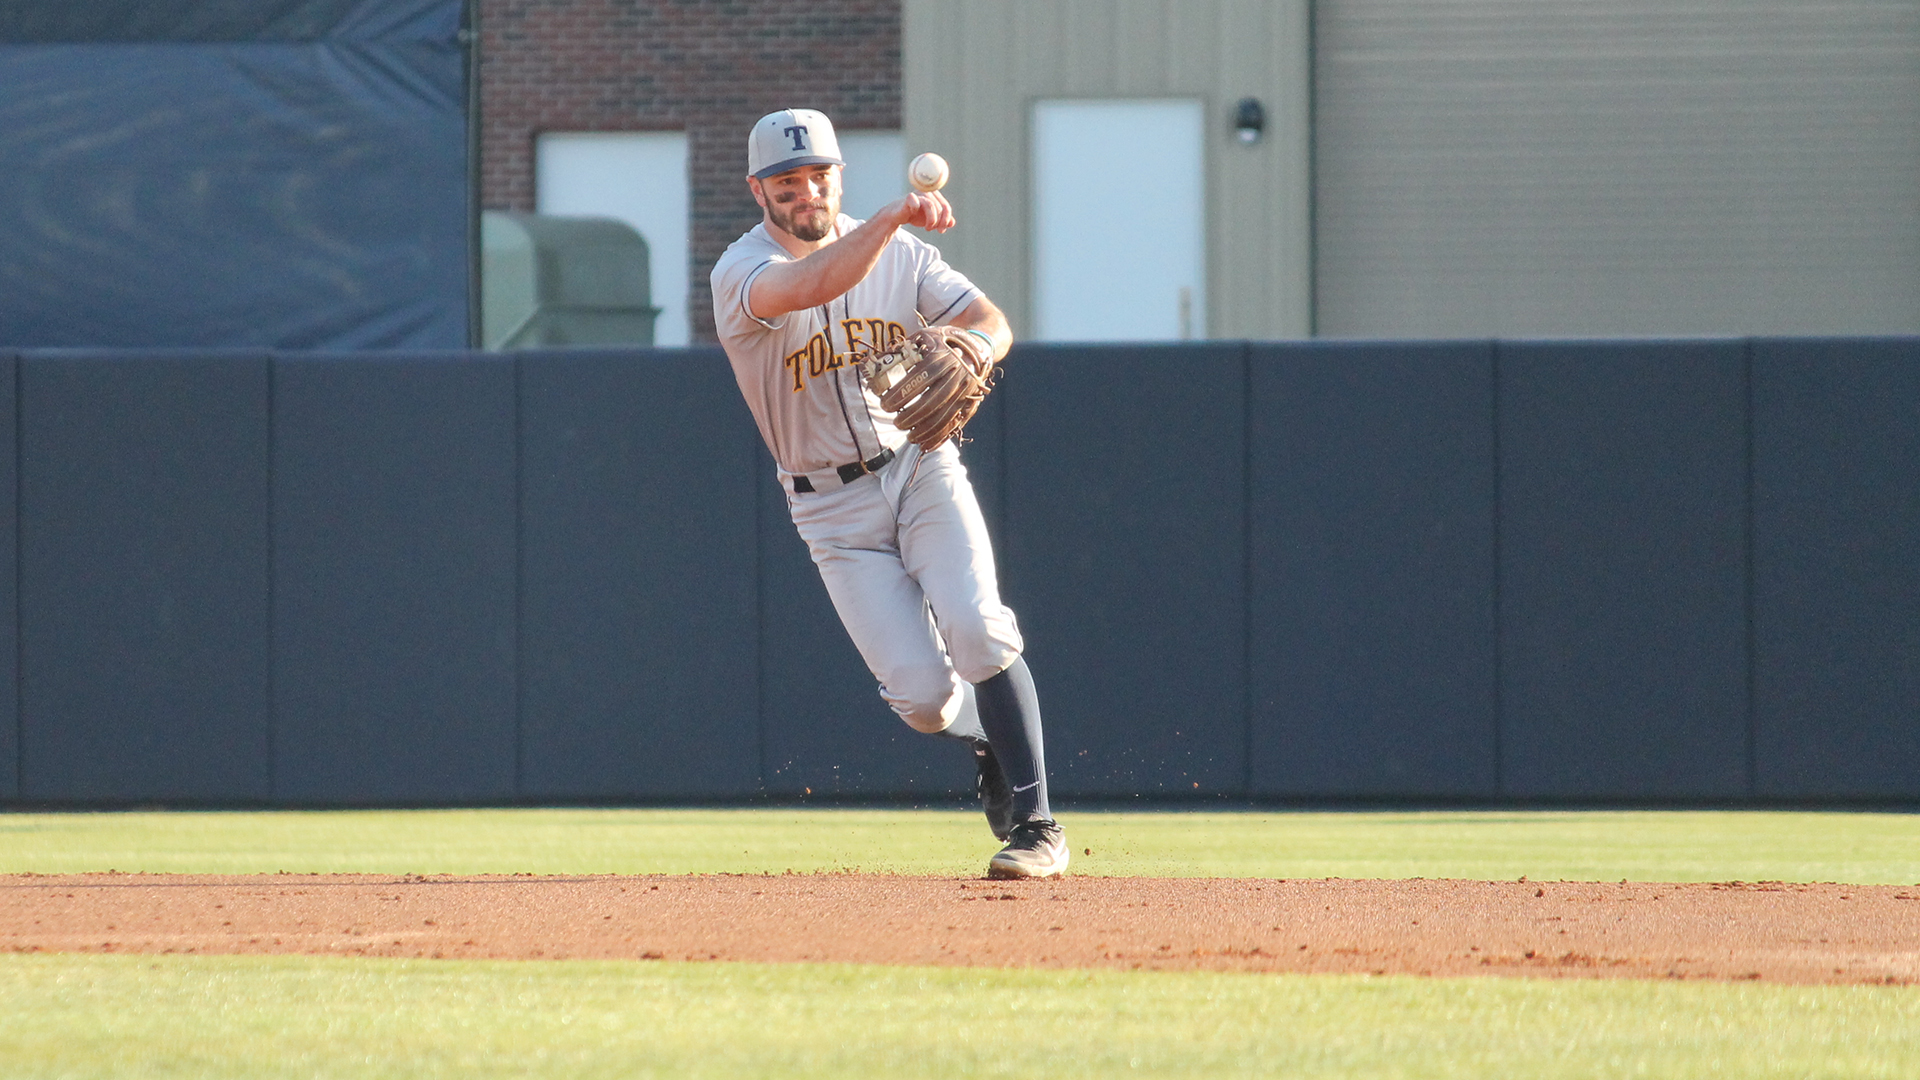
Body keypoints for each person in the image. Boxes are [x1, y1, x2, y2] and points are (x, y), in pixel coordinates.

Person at [710, 108, 1066, 879]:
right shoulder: (740, 273)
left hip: (919, 467)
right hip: (829, 510)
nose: (806, 193)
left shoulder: (902, 255)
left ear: (838, 174)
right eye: (787, 183)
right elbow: (816, 281)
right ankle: (984, 739)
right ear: (757, 191)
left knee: (978, 628)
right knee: (924, 699)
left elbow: (989, 319)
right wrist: (891, 216)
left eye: (818, 177)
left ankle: (1039, 827)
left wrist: (972, 342)